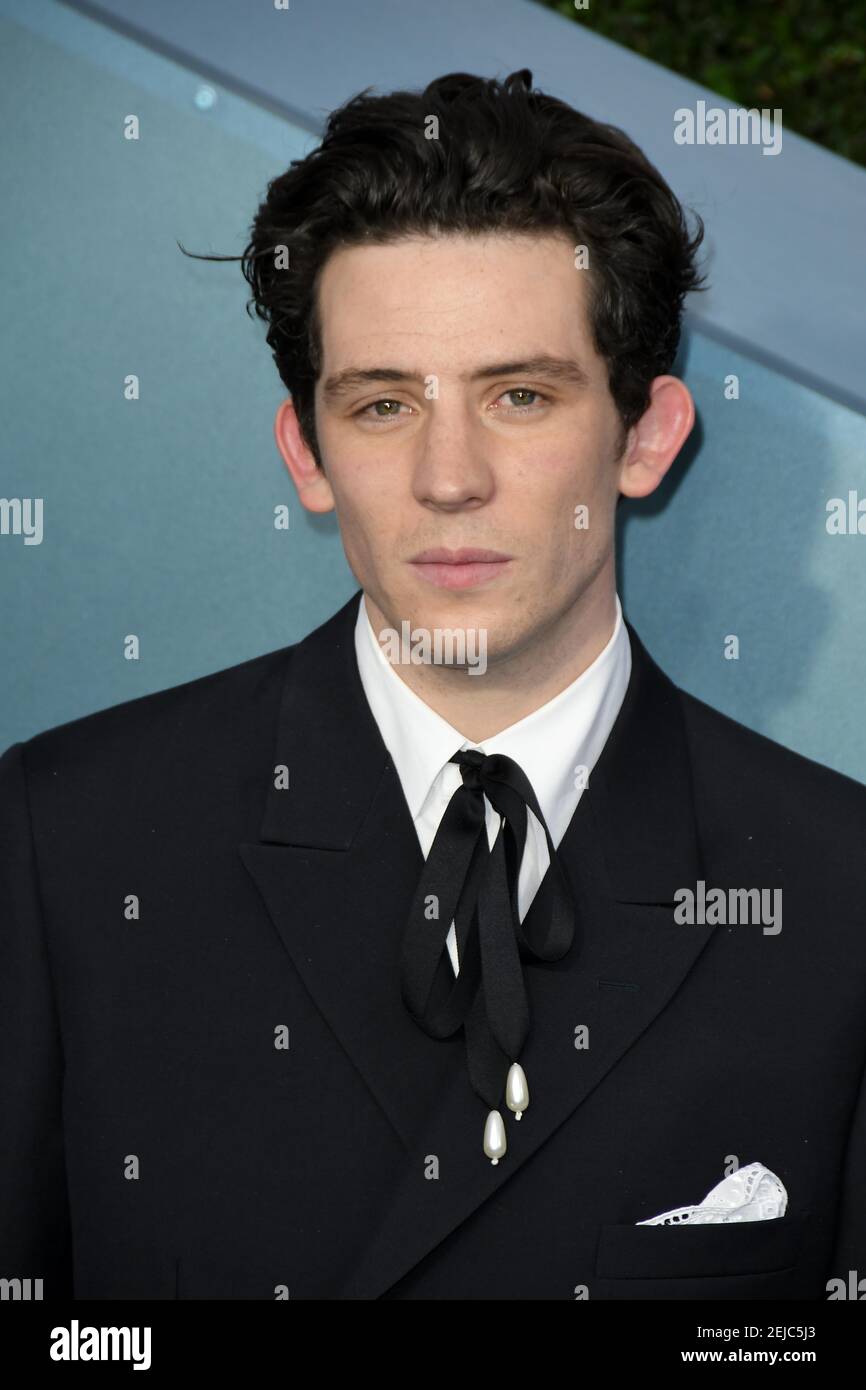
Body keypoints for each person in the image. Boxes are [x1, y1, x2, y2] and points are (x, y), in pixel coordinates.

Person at [1, 69, 864, 1301]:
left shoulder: (838, 893)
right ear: (306, 451)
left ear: (645, 435)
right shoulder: (69, 841)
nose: (446, 475)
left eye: (519, 396)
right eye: (382, 402)